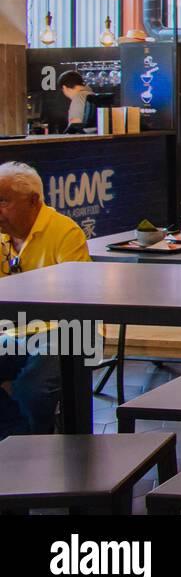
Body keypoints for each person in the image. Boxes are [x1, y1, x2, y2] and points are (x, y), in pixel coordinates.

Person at [0, 162, 90, 436]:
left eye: (3, 202)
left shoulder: (65, 231)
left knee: (32, 388)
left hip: (67, 331)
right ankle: (15, 434)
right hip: (12, 331)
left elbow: (79, 298)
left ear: (34, 201)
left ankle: (37, 443)